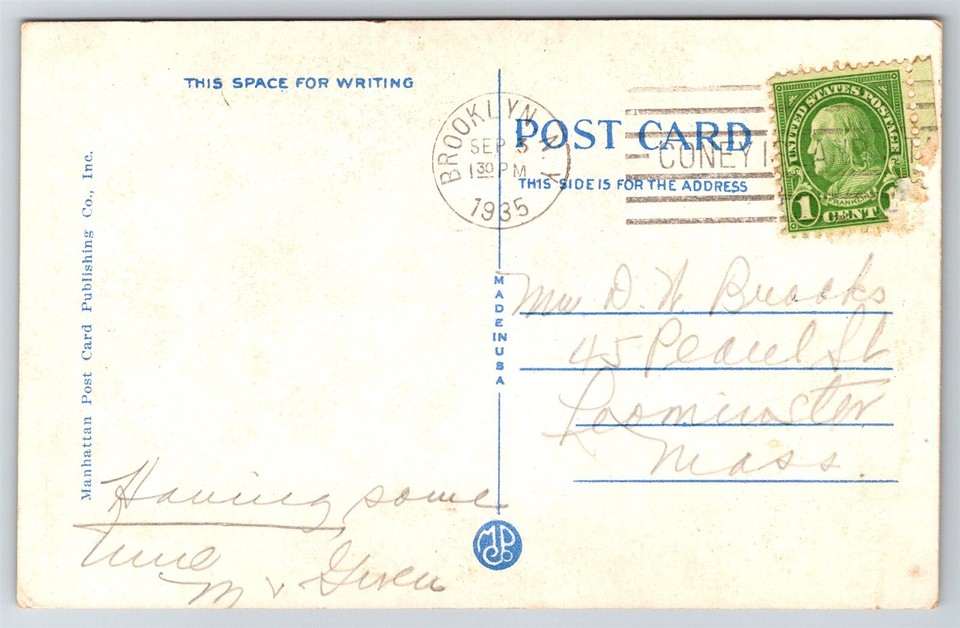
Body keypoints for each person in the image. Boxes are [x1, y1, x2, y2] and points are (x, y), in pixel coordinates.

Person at [806, 103, 885, 197]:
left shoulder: (862, 185)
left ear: (845, 142)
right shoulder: (838, 188)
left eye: (818, 139)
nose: (810, 150)